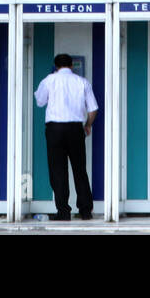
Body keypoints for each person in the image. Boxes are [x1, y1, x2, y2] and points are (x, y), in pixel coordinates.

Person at [34, 53, 98, 220]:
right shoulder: (82, 82)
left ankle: (63, 212)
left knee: (58, 171)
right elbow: (93, 109)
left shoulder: (49, 80)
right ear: (71, 66)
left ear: (56, 66)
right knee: (79, 170)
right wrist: (88, 125)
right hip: (75, 129)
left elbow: (40, 101)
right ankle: (85, 211)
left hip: (54, 129)